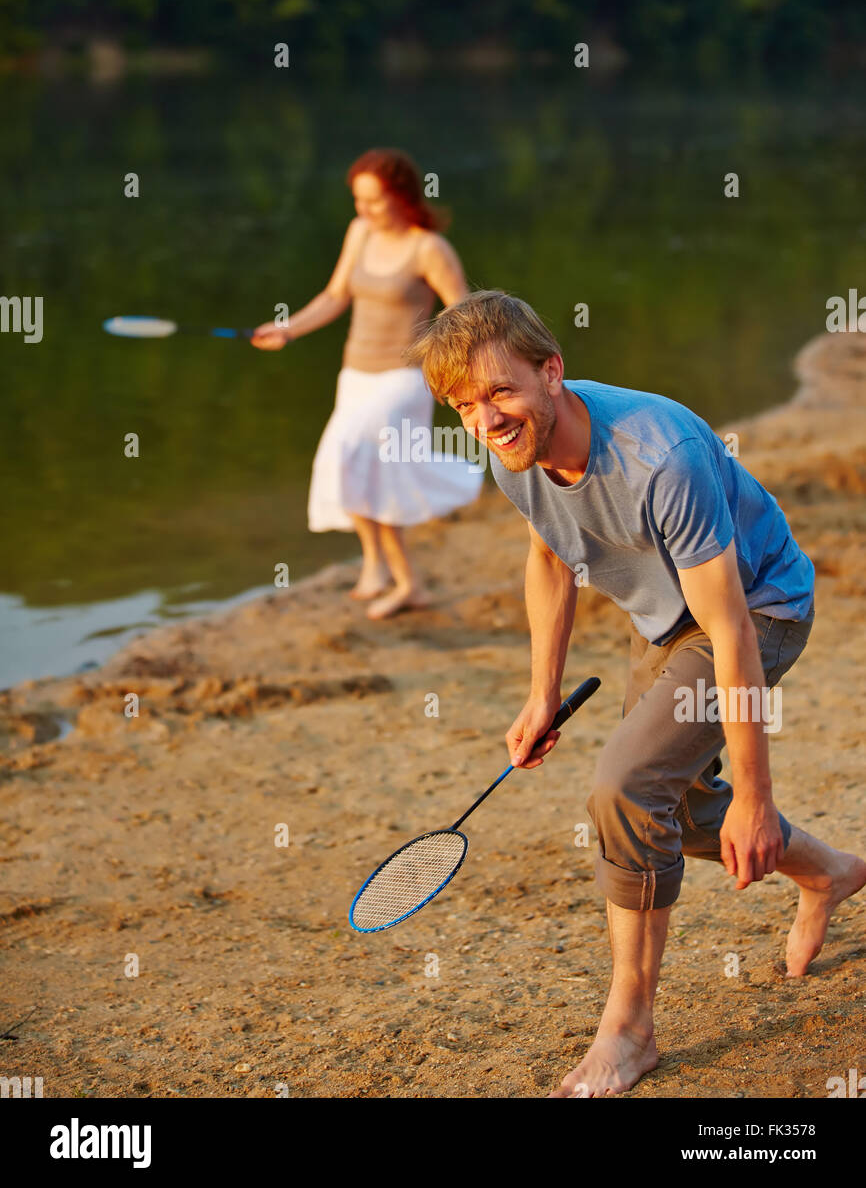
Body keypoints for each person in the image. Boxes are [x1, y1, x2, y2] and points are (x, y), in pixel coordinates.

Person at [404, 288, 866, 1097]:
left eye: (502, 391)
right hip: (663, 614)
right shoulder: (508, 449)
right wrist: (541, 692)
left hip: (755, 610)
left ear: (553, 371)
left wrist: (757, 797)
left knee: (623, 791)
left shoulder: (662, 456)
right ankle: (828, 870)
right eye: (465, 405)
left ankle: (629, 1030)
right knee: (670, 810)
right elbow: (552, 557)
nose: (486, 419)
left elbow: (730, 635)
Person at [251, 149, 482, 619]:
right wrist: (287, 329)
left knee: (368, 467)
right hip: (354, 373)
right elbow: (336, 295)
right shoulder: (359, 232)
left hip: (402, 379)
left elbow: (463, 315)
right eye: (358, 200)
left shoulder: (428, 248)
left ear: (401, 195)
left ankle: (407, 581)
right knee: (346, 466)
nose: (364, 210)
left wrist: (456, 376)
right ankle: (376, 564)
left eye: (374, 201)